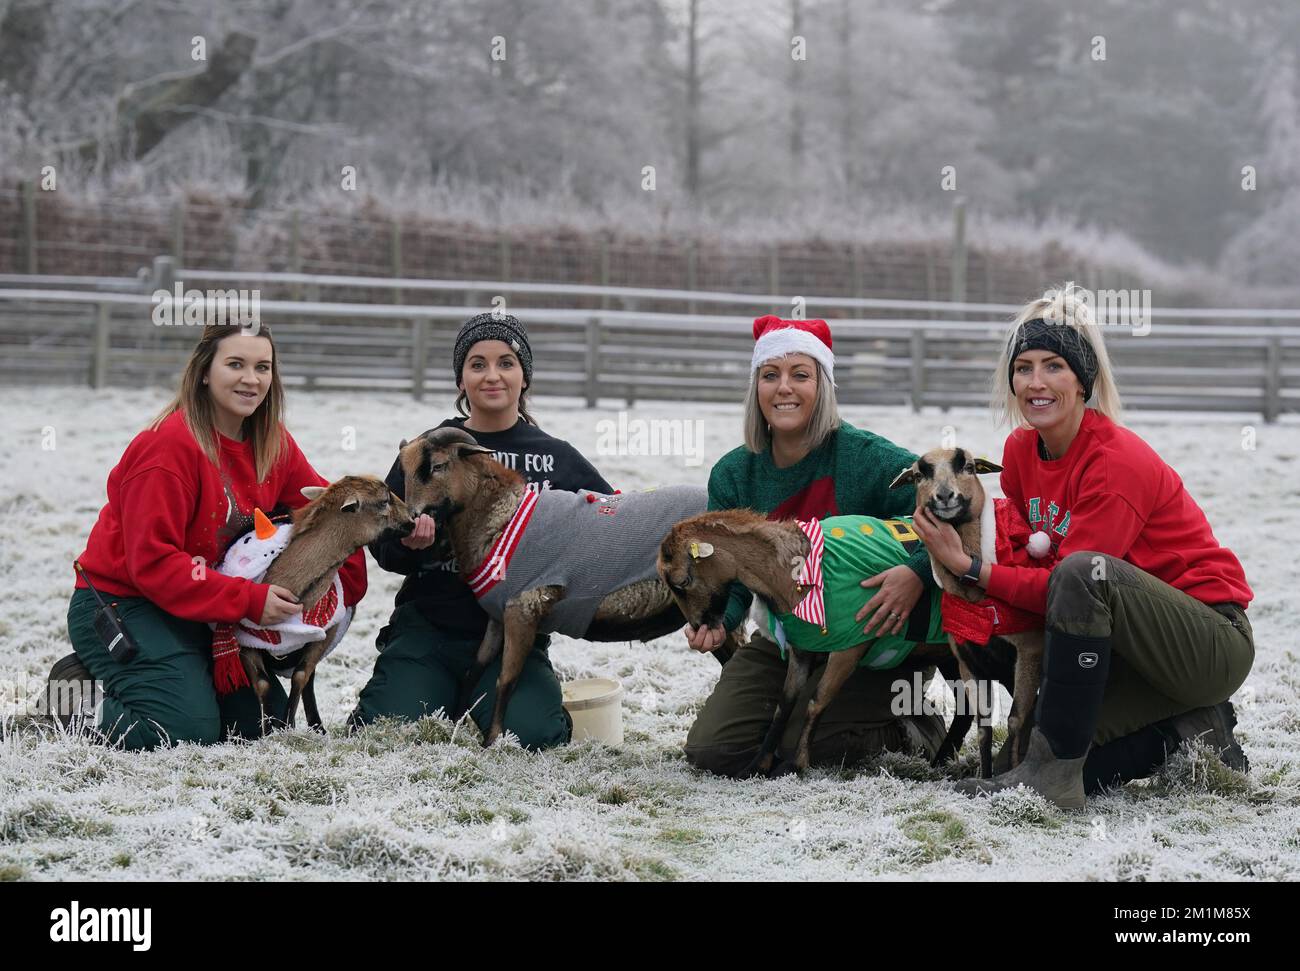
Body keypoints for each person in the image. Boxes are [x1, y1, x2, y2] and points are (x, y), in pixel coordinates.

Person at [912, 284, 1253, 808]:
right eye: (1023, 368)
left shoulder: (1116, 462)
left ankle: (1060, 774)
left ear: (1082, 380)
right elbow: (1031, 554)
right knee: (1025, 760)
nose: (1036, 382)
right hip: (1128, 646)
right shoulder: (1021, 451)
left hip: (1207, 639)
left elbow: (1065, 586)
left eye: (1054, 366)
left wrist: (971, 567)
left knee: (1081, 573)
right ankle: (1193, 726)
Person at [52, 323, 368, 749]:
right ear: (204, 371)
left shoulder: (272, 443)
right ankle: (69, 694)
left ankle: (169, 682)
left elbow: (329, 515)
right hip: (123, 602)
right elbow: (153, 563)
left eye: (262, 367)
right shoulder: (168, 448)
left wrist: (339, 594)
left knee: (261, 723)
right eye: (235, 364)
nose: (251, 379)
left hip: (203, 608)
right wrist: (251, 601)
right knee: (178, 731)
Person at [683, 315, 948, 776]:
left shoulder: (866, 458)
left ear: (822, 385)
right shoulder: (733, 474)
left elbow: (949, 509)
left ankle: (912, 725)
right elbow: (735, 573)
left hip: (872, 639)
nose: (784, 388)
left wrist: (917, 574)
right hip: (793, 639)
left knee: (795, 745)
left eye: (800, 375)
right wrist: (720, 621)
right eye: (771, 375)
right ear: (757, 387)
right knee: (714, 751)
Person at [348, 312, 613, 747]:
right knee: (386, 732)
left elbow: (606, 521)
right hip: (429, 630)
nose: (493, 375)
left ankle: (505, 696)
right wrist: (413, 545)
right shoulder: (425, 451)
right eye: (477, 364)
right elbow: (384, 548)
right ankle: (430, 687)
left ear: (524, 376)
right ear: (460, 380)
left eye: (506, 363)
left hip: (515, 638)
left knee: (534, 738)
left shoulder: (556, 458)